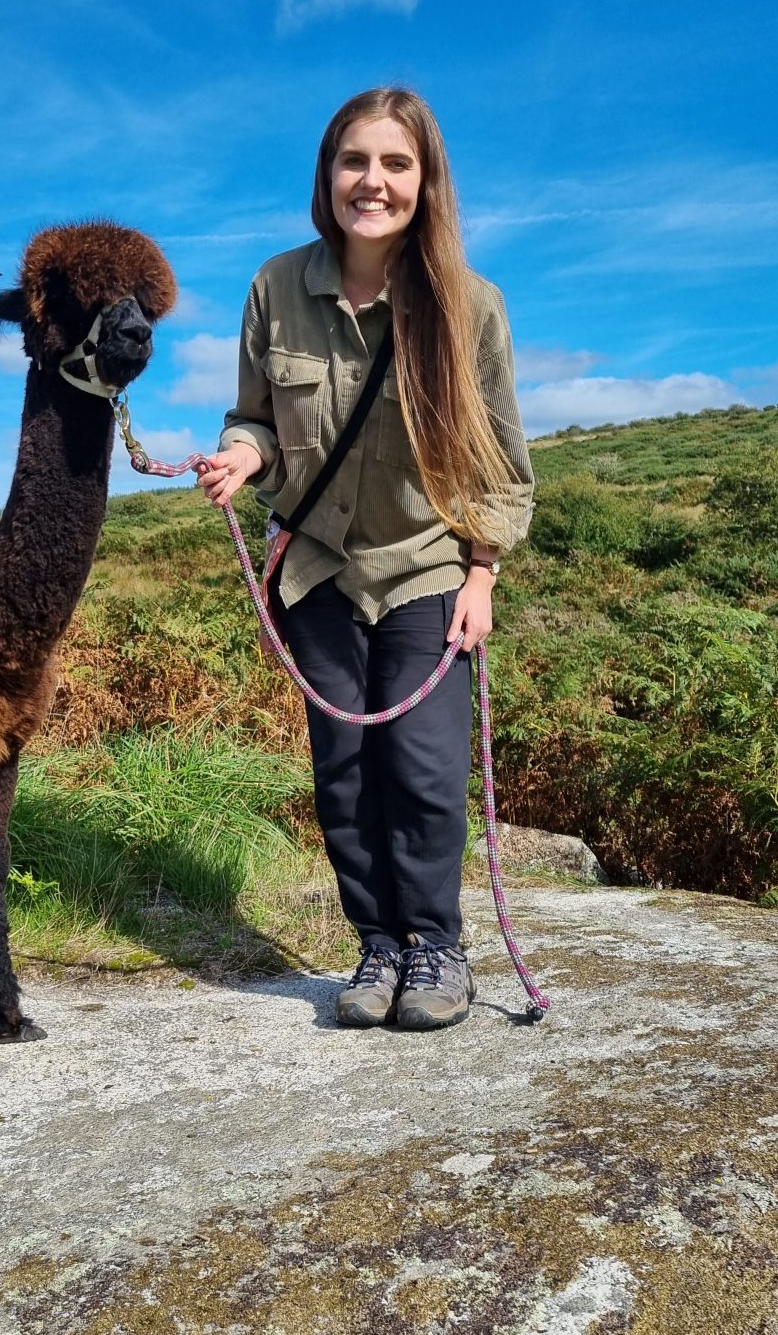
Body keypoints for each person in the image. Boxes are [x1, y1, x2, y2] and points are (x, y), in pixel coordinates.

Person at [200, 88, 534, 1031]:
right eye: (355, 161)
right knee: (343, 773)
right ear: (328, 174)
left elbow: (501, 460)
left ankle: (436, 947)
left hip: (428, 567)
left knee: (423, 769)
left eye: (396, 163)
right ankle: (378, 946)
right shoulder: (275, 288)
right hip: (315, 572)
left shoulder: (471, 306)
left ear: (426, 181)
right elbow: (254, 417)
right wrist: (242, 455)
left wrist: (482, 574)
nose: (373, 182)